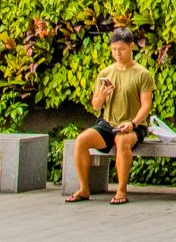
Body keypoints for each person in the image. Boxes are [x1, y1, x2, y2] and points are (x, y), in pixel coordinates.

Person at [63, 27, 155, 205]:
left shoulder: (142, 74)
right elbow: (95, 105)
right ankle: (83, 189)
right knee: (81, 140)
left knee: (122, 141)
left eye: (121, 49)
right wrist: (103, 95)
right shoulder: (105, 73)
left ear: (131, 47)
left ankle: (121, 190)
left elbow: (146, 105)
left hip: (134, 125)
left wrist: (133, 123)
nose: (117, 54)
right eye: (114, 50)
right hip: (108, 123)